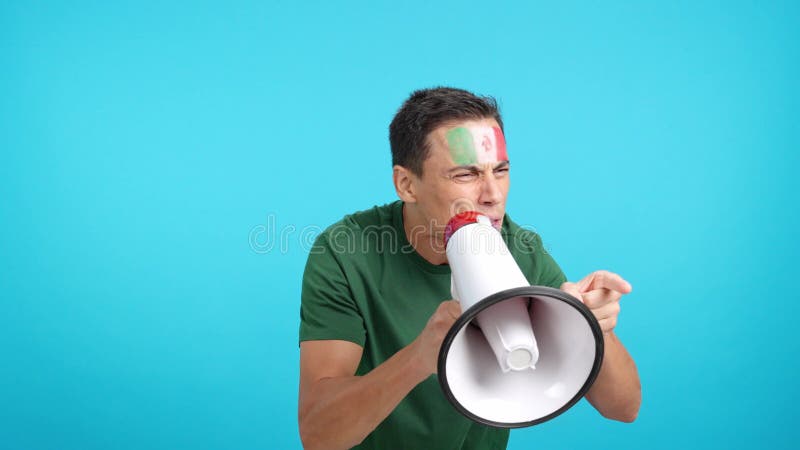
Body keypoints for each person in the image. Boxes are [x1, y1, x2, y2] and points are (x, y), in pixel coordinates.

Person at [298, 87, 641, 450]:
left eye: (502, 170)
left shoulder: (519, 249)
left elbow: (624, 408)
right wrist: (417, 359)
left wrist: (590, 322)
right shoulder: (345, 252)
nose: (492, 195)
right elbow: (319, 435)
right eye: (466, 175)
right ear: (406, 184)